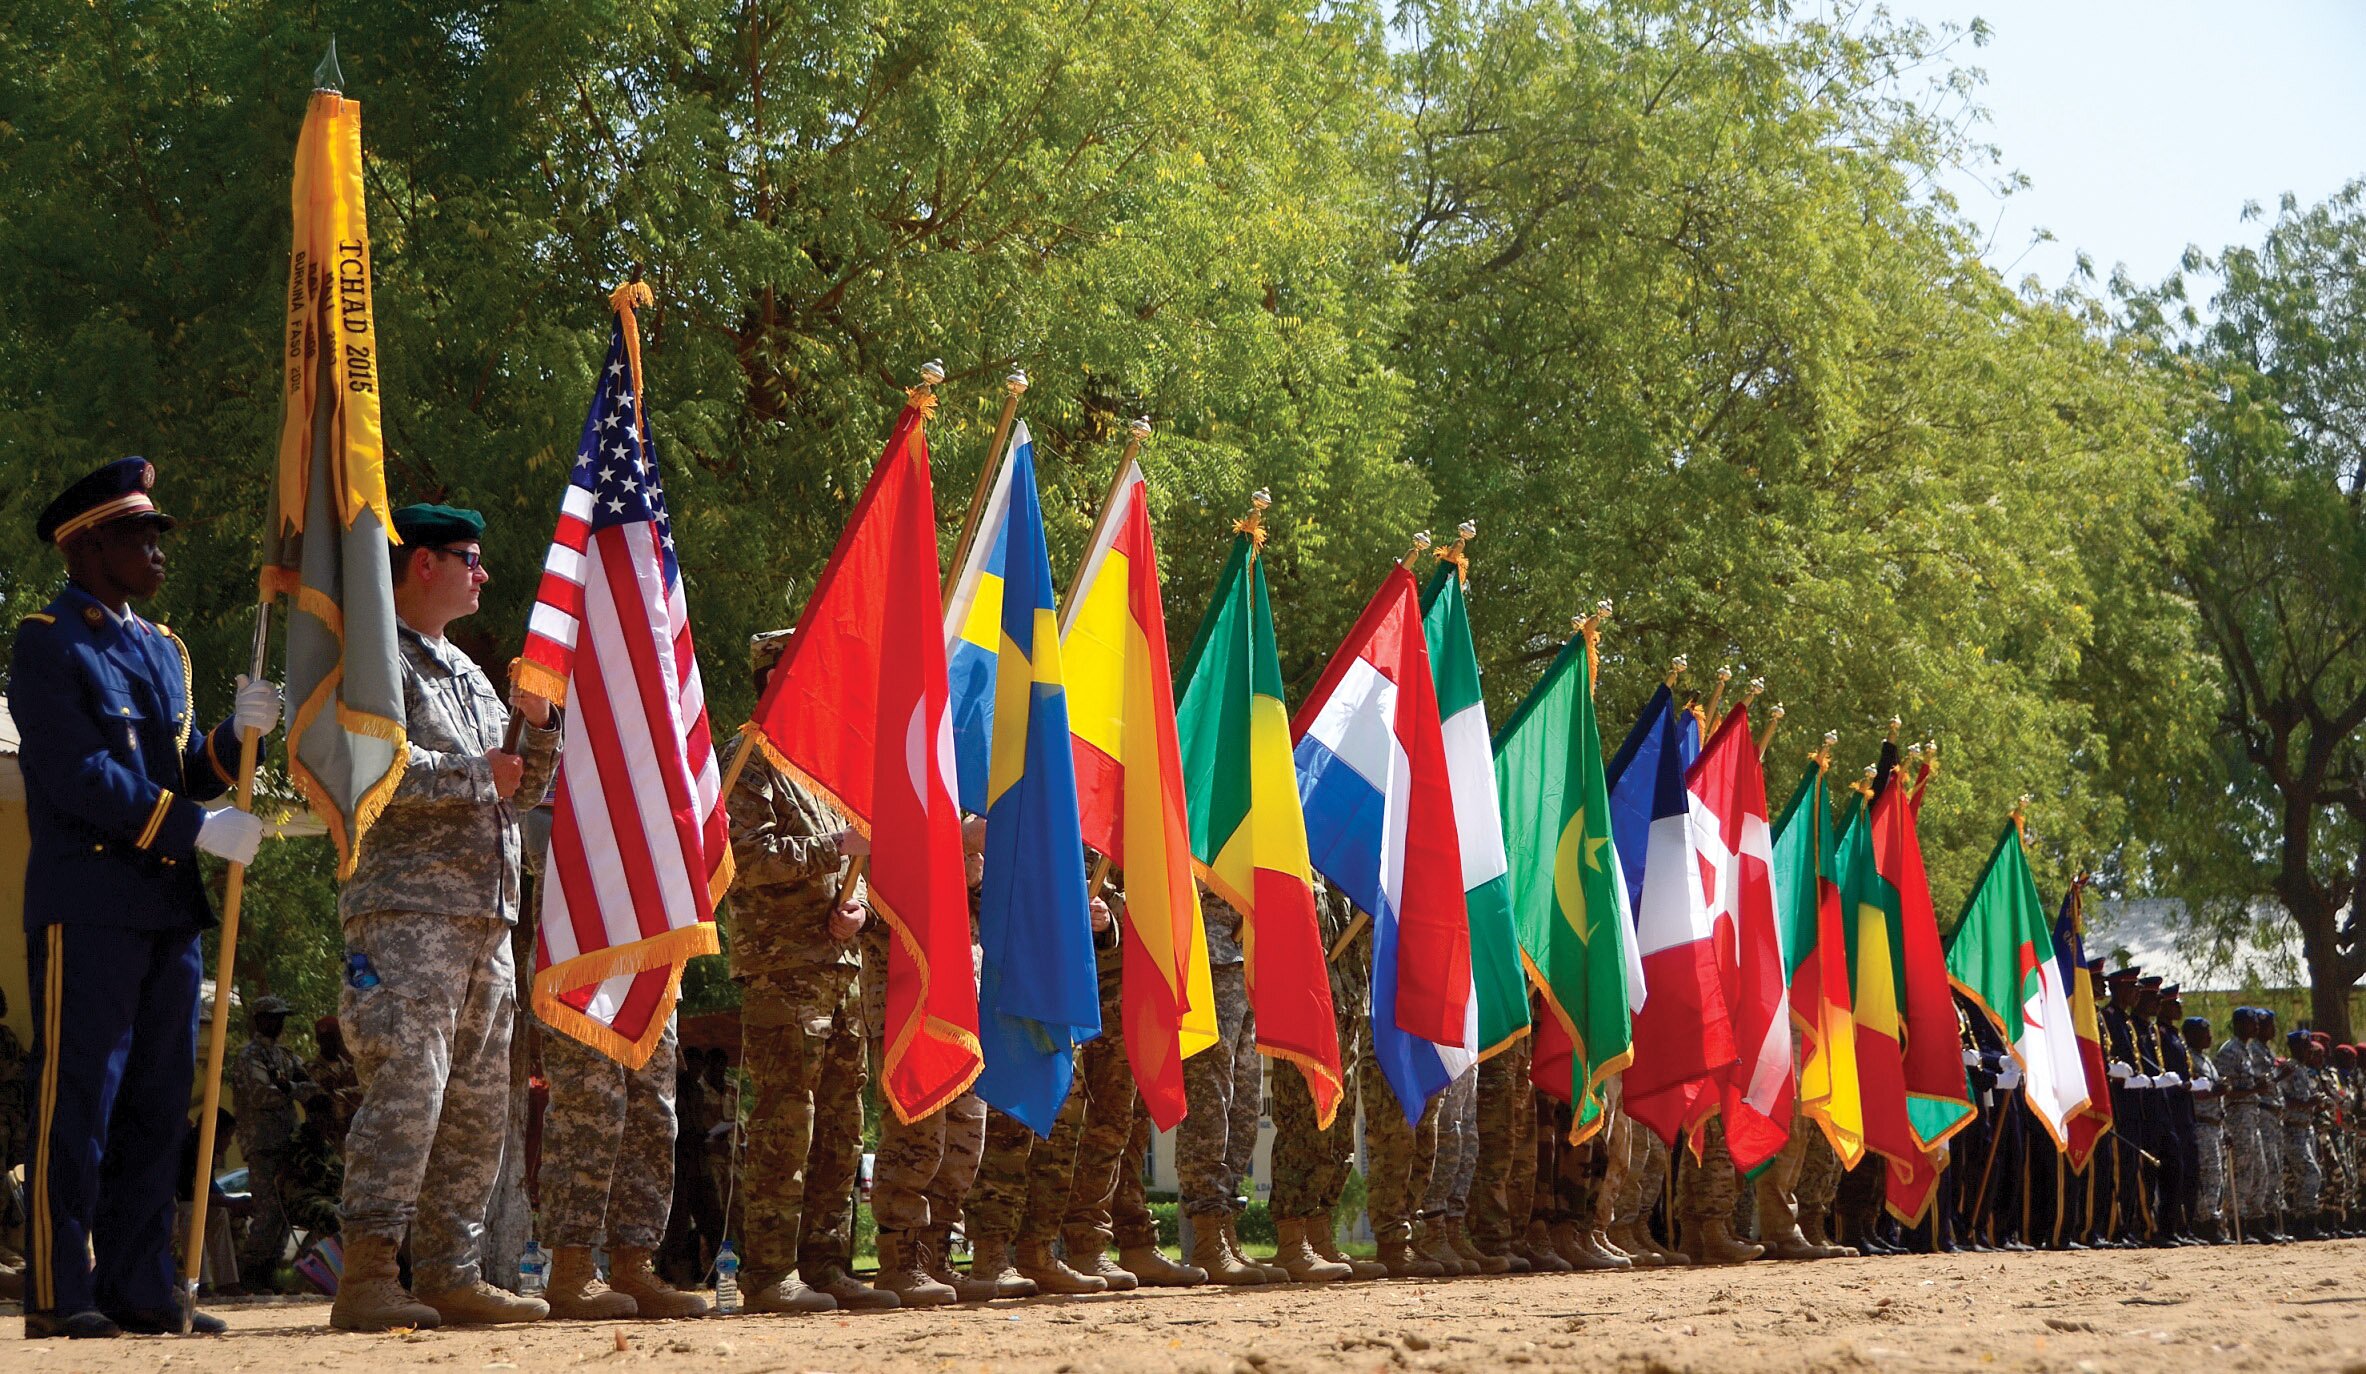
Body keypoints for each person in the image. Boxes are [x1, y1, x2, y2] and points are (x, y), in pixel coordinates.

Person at [13, 458, 282, 1338]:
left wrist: (233, 741)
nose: (158, 550)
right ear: (89, 547)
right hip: (87, 900)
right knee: (81, 1099)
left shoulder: (163, 649)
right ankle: (61, 1290)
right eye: (139, 535)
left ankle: (140, 1284)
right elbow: (79, 775)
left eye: (157, 533)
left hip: (164, 909)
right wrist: (192, 831)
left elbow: (176, 775)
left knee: (159, 1105)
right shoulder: (48, 641)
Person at [329, 503, 560, 1331]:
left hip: (485, 920)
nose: (483, 573)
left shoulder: (462, 669)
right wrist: (479, 775)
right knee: (408, 1089)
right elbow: (369, 768)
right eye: (470, 557)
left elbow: (520, 791)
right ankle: (366, 1273)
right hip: (407, 915)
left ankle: (451, 1270)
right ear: (422, 563)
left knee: (477, 1102)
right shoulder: (371, 657)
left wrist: (538, 730)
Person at [724, 627, 897, 1314]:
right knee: (784, 1126)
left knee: (840, 1131)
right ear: (776, 681)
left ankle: (827, 1266)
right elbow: (747, 859)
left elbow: (845, 867)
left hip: (838, 972)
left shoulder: (823, 772)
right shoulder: (750, 759)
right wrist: (838, 848)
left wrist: (854, 905)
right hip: (782, 976)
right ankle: (769, 1274)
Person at [535, 1015, 709, 1320]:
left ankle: (633, 1264)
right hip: (585, 971)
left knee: (651, 1115)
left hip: (654, 973)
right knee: (590, 1098)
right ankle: (570, 1267)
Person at [1177, 887, 1278, 1283]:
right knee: (1209, 1101)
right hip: (1205, 955)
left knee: (1244, 1105)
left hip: (1246, 960)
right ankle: (1205, 1232)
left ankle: (1226, 1227)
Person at [1261, 878, 1360, 1282]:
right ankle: (1291, 1240)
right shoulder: (1291, 855)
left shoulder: (1337, 866)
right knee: (1304, 1127)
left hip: (1343, 1005)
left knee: (1339, 1134)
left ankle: (1319, 1233)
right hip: (1303, 1011)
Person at [232, 994, 311, 1290]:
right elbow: (260, 1095)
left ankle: (270, 1273)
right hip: (262, 1143)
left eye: (281, 1017)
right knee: (268, 1210)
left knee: (285, 1209)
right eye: (273, 1017)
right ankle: (252, 1274)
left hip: (288, 1142)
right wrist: (293, 1090)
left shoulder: (285, 1056)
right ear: (259, 1020)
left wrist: (290, 1087)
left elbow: (312, 1085)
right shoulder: (249, 1057)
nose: (278, 1023)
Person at [2184, 1016, 2228, 1242]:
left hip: (2215, 1124)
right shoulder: (2188, 1058)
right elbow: (2193, 1088)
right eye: (2204, 1032)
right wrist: (2215, 1090)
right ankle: (2204, 1221)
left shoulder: (2206, 1060)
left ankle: (2213, 1219)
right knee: (2208, 1173)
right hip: (2201, 1123)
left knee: (2217, 1175)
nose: (2209, 1037)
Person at [304, 1016, 363, 1142]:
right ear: (318, 1040)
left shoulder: (352, 1069)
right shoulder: (308, 1071)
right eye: (324, 1039)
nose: (329, 1043)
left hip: (352, 1137)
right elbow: (321, 1102)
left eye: (333, 1037)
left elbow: (364, 1096)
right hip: (324, 1141)